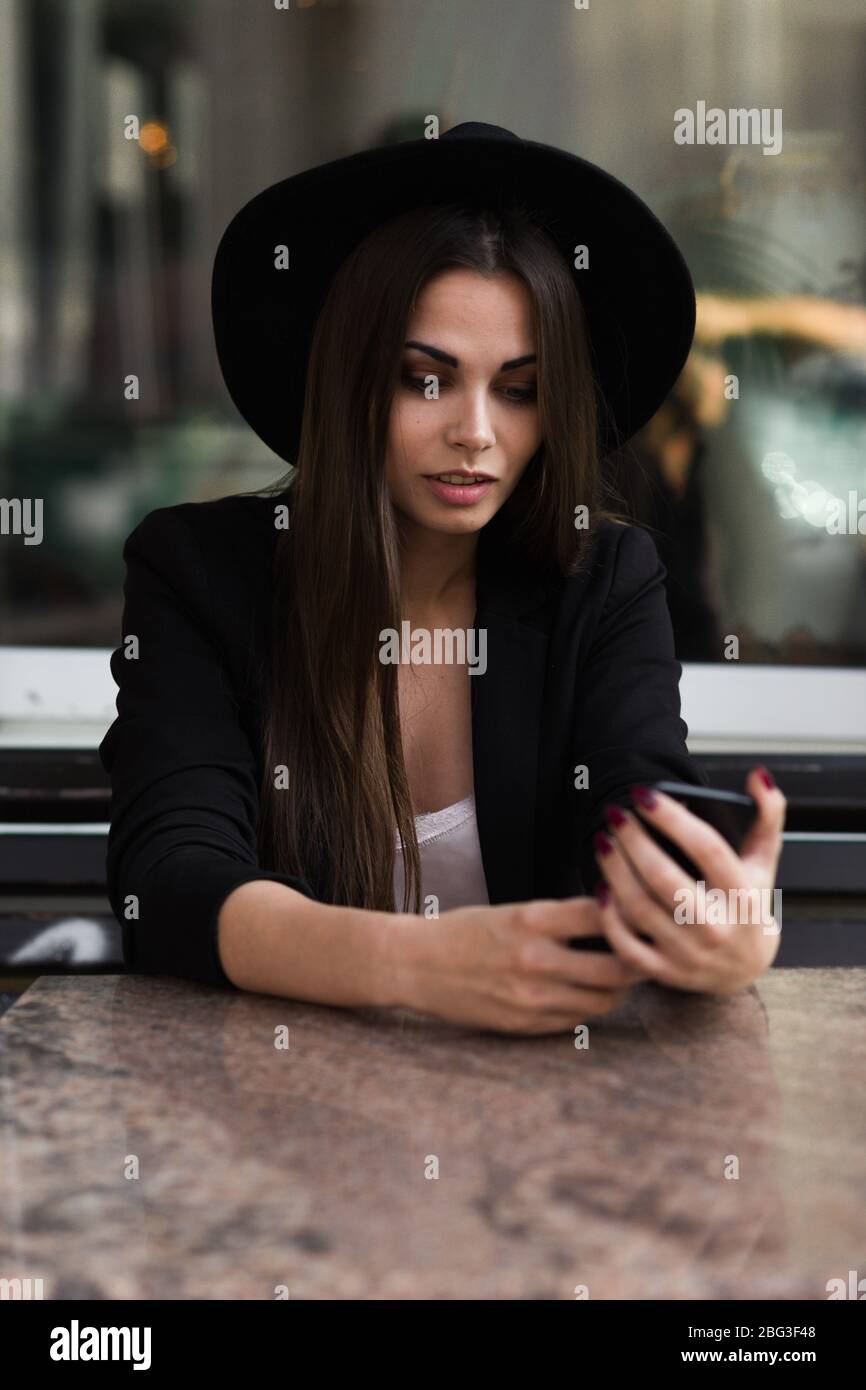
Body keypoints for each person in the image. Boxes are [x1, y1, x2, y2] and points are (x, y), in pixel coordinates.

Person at [99, 122, 786, 1035]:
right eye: (427, 380)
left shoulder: (606, 579)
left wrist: (726, 924)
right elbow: (174, 881)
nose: (476, 431)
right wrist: (419, 964)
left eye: (519, 388)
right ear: (351, 383)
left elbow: (638, 808)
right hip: (270, 1116)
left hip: (544, 1128)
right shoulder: (203, 573)